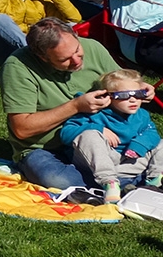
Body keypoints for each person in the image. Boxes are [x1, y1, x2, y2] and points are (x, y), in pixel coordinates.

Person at [0, 18, 124, 189]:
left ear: (76, 35)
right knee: (56, 180)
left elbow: (124, 83)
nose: (76, 61)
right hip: (47, 148)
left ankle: (108, 181)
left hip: (98, 140)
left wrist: (139, 89)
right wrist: (76, 106)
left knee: (146, 148)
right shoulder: (17, 67)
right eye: (64, 59)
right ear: (43, 57)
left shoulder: (93, 47)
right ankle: (120, 180)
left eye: (77, 50)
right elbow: (22, 129)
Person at [59, 69, 162, 203]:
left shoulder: (142, 115)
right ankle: (110, 184)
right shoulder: (94, 113)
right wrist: (98, 129)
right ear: (108, 97)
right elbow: (66, 134)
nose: (133, 100)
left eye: (138, 94)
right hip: (98, 163)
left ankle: (154, 181)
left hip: (129, 162)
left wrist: (139, 145)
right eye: (124, 95)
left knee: (160, 143)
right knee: (89, 135)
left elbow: (151, 132)